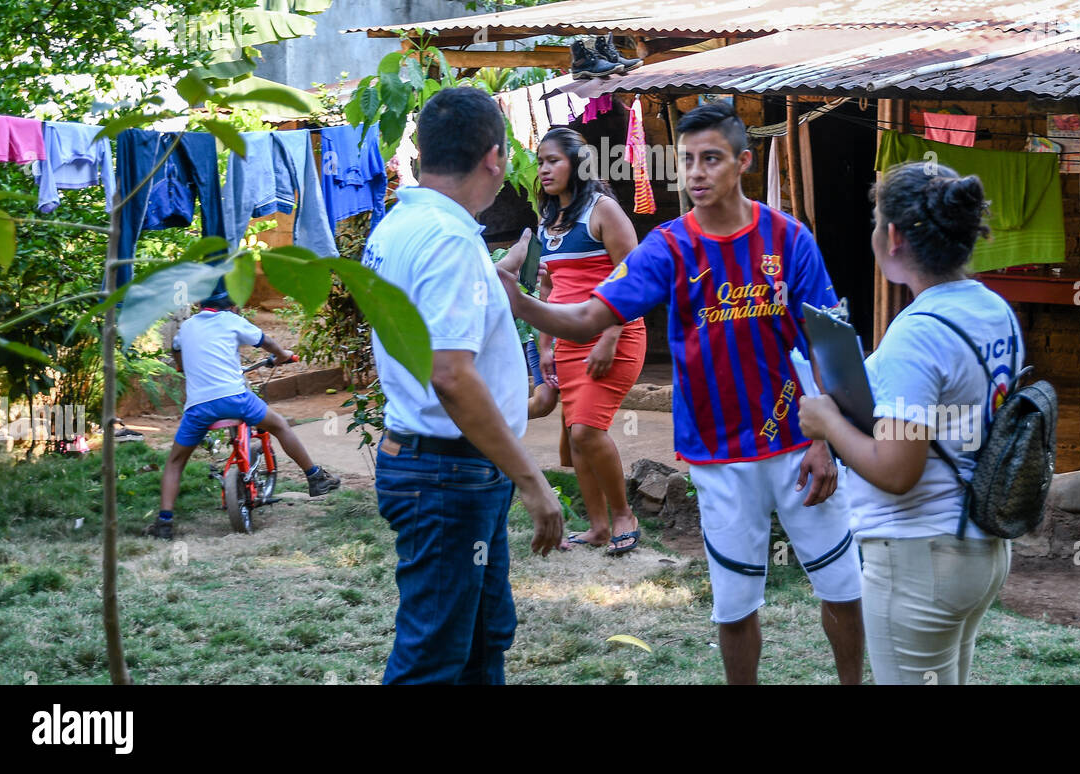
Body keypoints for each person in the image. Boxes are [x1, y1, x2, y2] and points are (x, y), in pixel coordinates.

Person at [498, 103, 863, 685]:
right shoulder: (667, 246)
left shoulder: (789, 239)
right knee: (736, 604)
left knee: (842, 588)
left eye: (710, 159)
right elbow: (593, 313)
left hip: (798, 445)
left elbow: (829, 344)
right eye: (687, 160)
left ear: (744, 162)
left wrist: (829, 438)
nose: (695, 173)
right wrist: (522, 304)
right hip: (718, 457)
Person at [362, 86, 564, 686]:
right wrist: (532, 479)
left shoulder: (403, 224)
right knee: (433, 661)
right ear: (494, 158)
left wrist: (491, 281)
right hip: (449, 475)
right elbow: (449, 374)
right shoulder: (450, 241)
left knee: (480, 641)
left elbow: (428, 326)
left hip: (441, 468)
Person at [797, 161, 1021, 685]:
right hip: (980, 548)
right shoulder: (995, 310)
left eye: (877, 221)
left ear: (892, 236)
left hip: (919, 558)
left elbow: (898, 470)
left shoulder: (917, 334)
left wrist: (829, 422)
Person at [145, 291, 340, 540]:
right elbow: (267, 342)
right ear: (233, 306)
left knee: (175, 462)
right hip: (235, 399)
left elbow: (177, 351)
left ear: (199, 304)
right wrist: (282, 356)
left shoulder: (187, 327)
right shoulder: (231, 320)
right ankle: (315, 477)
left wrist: (184, 364)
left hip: (199, 407)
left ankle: (164, 522)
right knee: (279, 425)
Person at [533, 126, 647, 554]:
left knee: (585, 429)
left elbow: (633, 278)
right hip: (566, 343)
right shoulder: (547, 221)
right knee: (575, 434)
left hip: (613, 336)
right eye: (541, 161)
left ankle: (623, 516)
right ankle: (598, 527)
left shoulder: (604, 211)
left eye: (553, 161)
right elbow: (549, 292)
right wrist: (545, 347)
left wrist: (611, 335)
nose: (544, 169)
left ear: (577, 164)